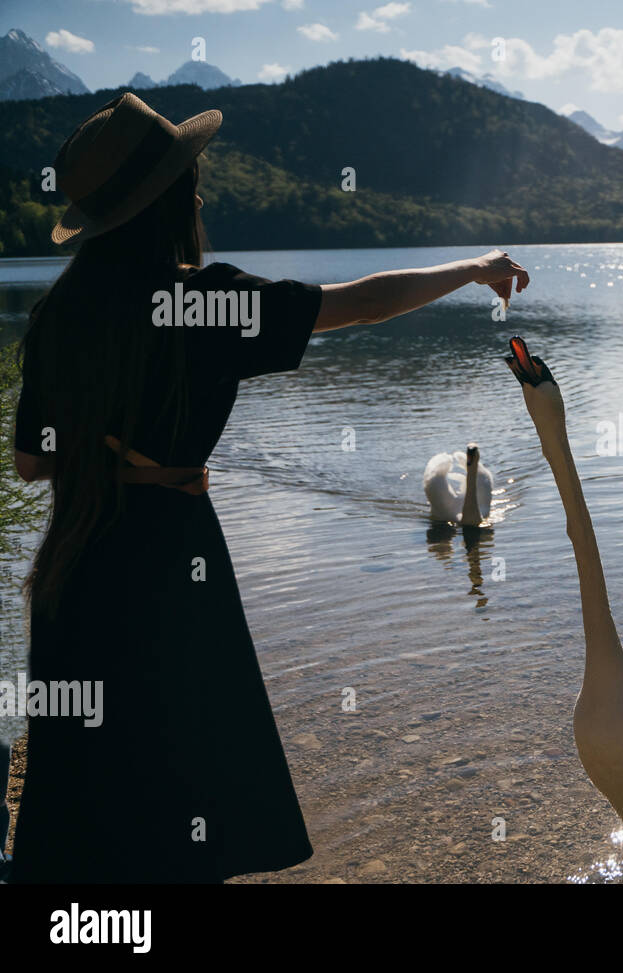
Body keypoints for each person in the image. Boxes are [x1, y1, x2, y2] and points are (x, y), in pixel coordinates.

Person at [9, 93, 528, 882]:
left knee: (88, 795)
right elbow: (365, 303)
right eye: (191, 181)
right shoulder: (203, 303)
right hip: (168, 564)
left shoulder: (55, 315)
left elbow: (30, 464)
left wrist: (108, 451)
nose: (202, 193)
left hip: (73, 571)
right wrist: (476, 266)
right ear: (166, 203)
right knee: (186, 784)